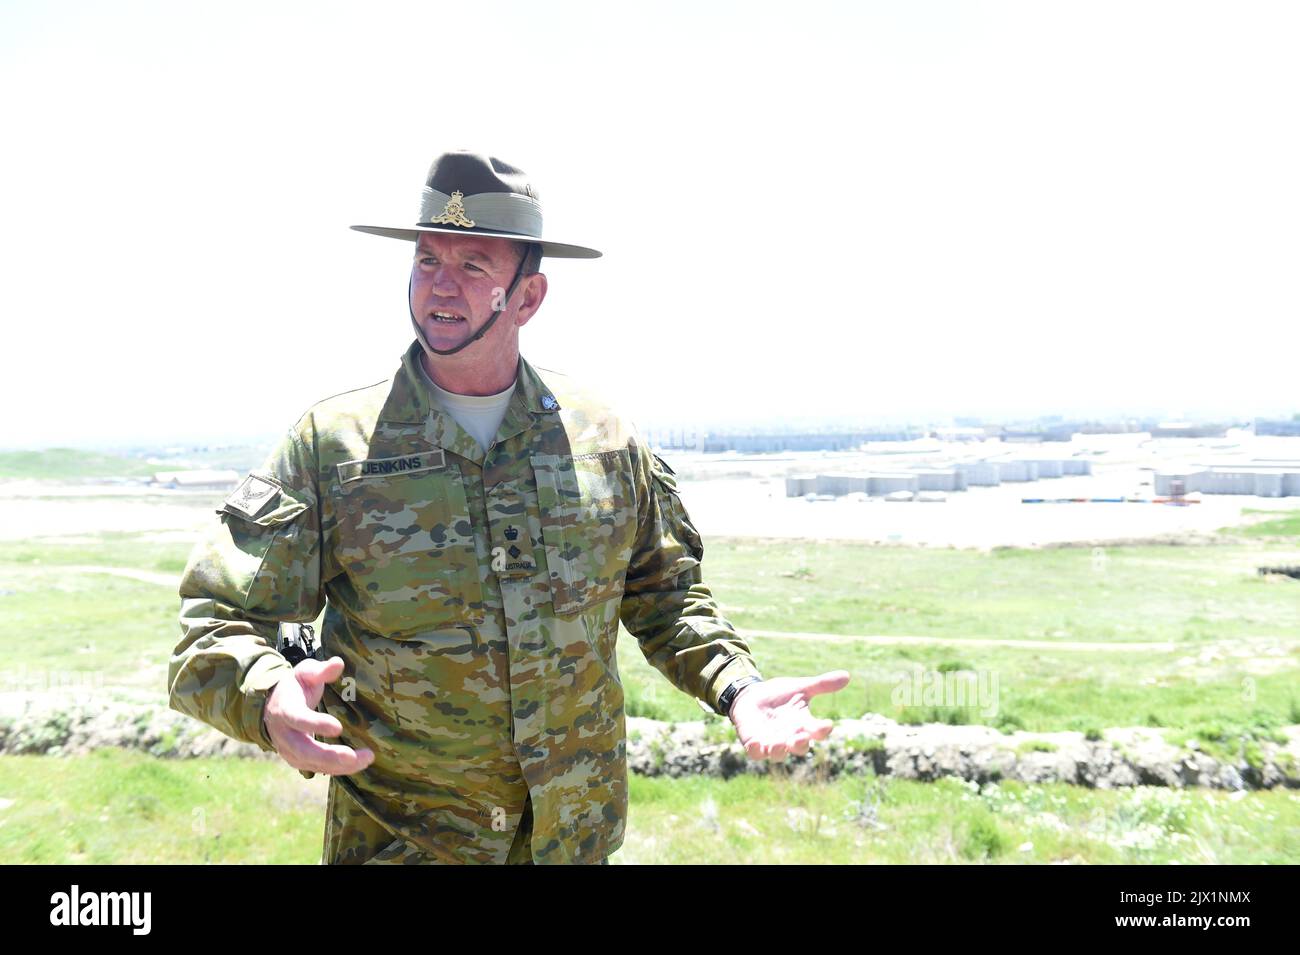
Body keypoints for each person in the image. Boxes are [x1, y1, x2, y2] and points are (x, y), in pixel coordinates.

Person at [167, 150, 851, 865]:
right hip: (406, 845)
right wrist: (269, 696)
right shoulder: (333, 447)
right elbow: (212, 623)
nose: (440, 285)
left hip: (569, 844)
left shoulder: (601, 439)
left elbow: (665, 599)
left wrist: (739, 689)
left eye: (473, 266)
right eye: (428, 259)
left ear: (528, 298)